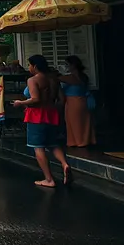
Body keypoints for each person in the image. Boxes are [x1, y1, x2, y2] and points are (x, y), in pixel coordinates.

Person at [13, 55, 71, 187]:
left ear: (35, 66)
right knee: (53, 143)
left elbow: (35, 99)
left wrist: (20, 103)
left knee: (38, 147)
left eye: (30, 65)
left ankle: (49, 179)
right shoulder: (53, 80)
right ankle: (64, 164)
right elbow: (62, 100)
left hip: (36, 115)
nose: (29, 68)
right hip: (51, 113)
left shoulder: (33, 80)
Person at [59, 55, 96, 148]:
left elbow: (57, 78)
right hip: (83, 101)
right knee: (84, 122)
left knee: (75, 123)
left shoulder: (72, 77)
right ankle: (85, 140)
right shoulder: (84, 76)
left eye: (67, 64)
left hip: (73, 102)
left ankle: (79, 141)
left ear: (73, 65)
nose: (66, 66)